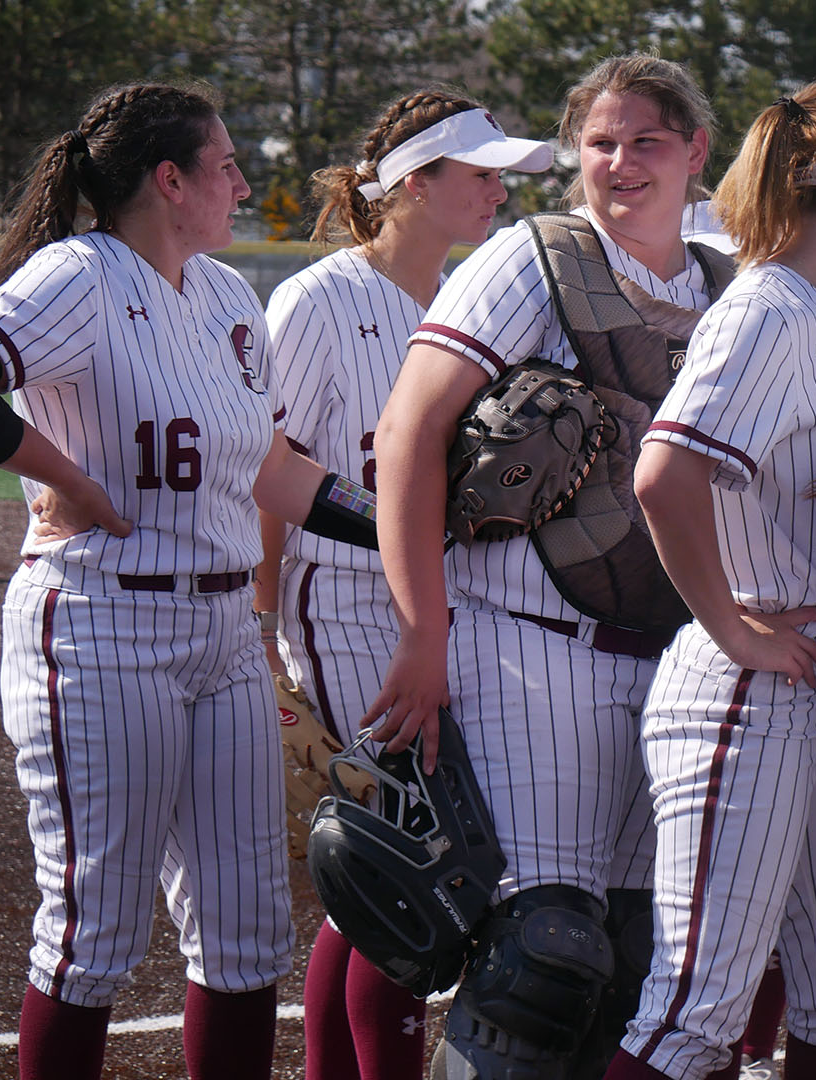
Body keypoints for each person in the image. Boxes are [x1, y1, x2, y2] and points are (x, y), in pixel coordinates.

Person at [0, 82, 382, 1080]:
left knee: (248, 924)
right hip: (100, 622)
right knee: (96, 929)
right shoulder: (78, 275)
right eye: (225, 165)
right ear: (170, 181)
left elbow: (274, 472)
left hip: (222, 637)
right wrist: (65, 476)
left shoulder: (224, 295)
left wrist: (408, 530)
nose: (244, 184)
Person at [360, 55, 737, 1078]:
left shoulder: (722, 283)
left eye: (644, 142)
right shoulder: (534, 259)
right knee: (544, 954)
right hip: (525, 642)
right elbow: (407, 433)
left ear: (696, 152)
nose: (617, 163)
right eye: (599, 143)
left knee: (633, 958)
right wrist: (421, 631)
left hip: (667, 662)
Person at [604, 79, 816, 1080]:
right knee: (694, 1013)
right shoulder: (768, 307)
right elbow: (664, 474)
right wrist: (734, 630)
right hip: (747, 688)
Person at [253, 88, 552, 1080]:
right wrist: (263, 627)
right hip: (340, 607)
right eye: (478, 173)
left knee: (398, 870)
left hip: (437, 609)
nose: (497, 190)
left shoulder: (466, 298)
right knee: (412, 871)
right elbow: (268, 470)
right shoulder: (322, 300)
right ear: (414, 183)